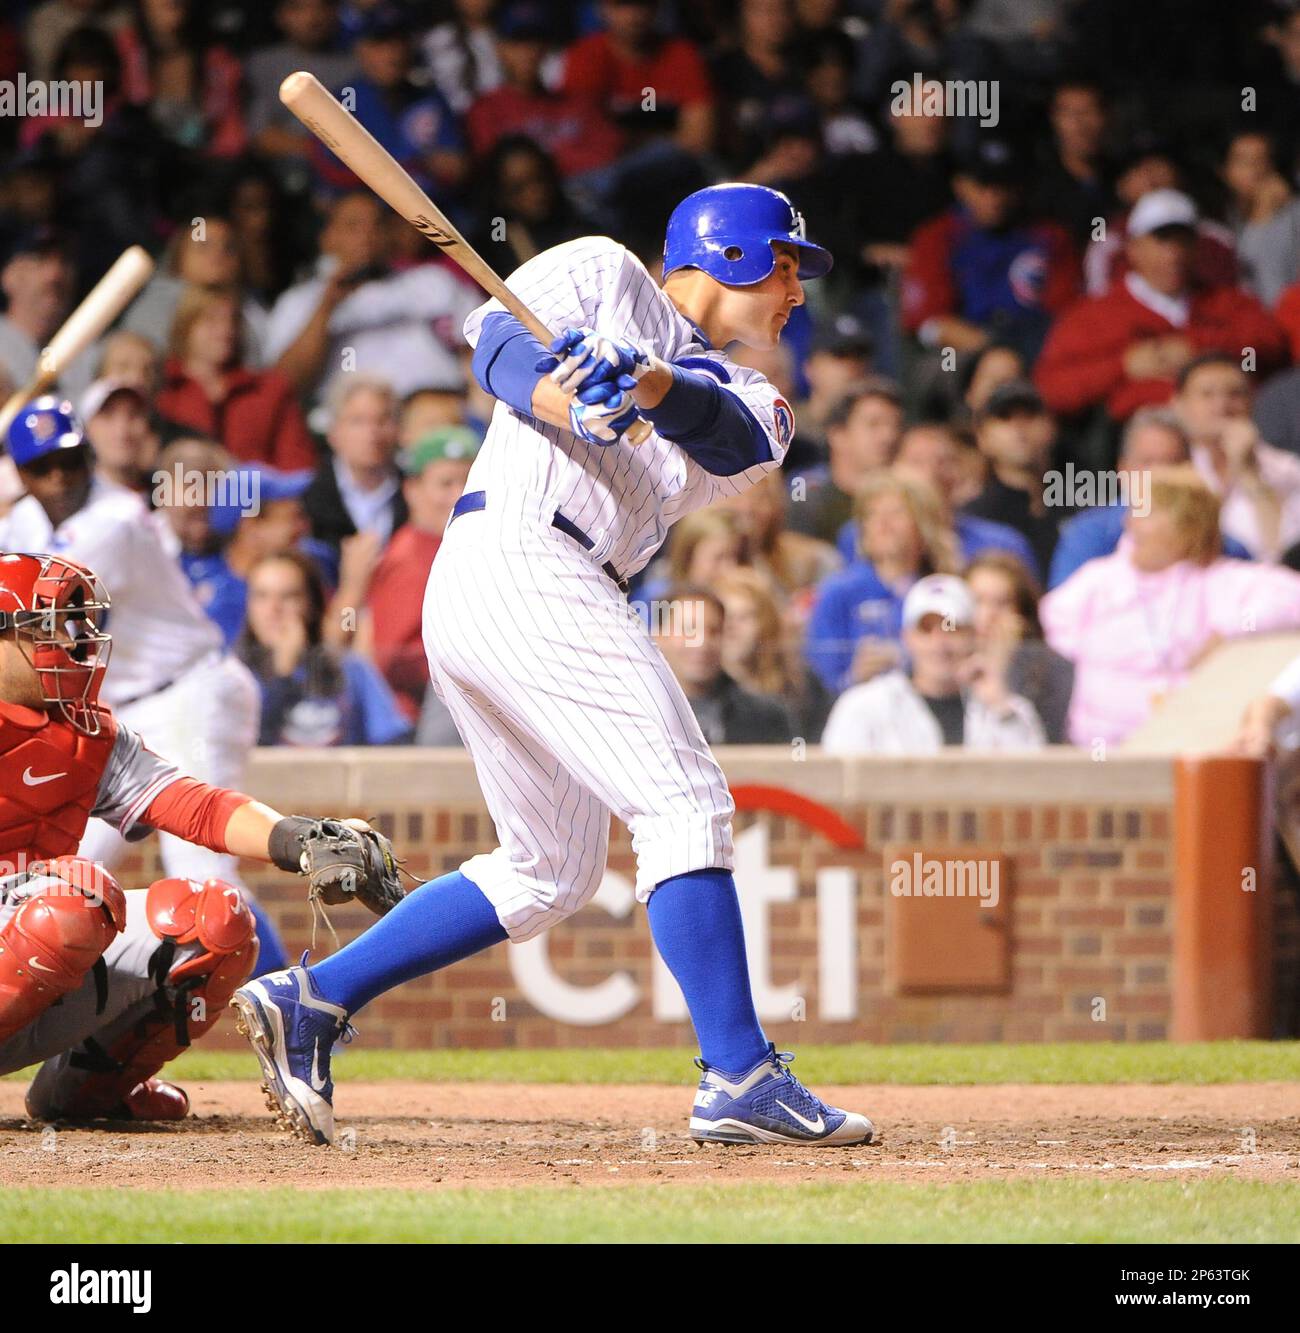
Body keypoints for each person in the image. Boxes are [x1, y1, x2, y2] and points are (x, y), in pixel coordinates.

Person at [233, 183, 876, 1149]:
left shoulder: (758, 395)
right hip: (521, 555)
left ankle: (315, 997)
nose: (796, 290)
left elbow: (729, 433)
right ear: (732, 255)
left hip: (554, 581)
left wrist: (647, 384)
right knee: (683, 802)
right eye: (786, 264)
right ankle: (739, 1072)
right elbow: (493, 346)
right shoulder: (602, 268)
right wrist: (567, 394)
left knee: (549, 872)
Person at [0, 549, 392, 1123]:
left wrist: (300, 839)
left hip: (20, 944)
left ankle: (85, 1091)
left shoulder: (85, 733)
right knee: (72, 898)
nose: (73, 641)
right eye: (48, 627)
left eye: (75, 623)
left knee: (215, 919)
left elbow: (193, 804)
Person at [0, 398, 288, 973]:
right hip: (101, 717)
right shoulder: (26, 518)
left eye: (70, 461)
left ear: (88, 457)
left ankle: (296, 1003)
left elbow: (47, 597)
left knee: (203, 875)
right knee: (44, 884)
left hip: (188, 693)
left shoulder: (121, 517)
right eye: (42, 467)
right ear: (25, 472)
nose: (59, 478)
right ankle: (84, 1049)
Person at [1041, 467, 1300, 746]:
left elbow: (1291, 599)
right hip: (1099, 753)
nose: (1130, 523)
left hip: (1196, 750)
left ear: (1188, 524)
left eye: (1146, 513)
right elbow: (1056, 623)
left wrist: (1229, 631)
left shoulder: (1225, 581)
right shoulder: (1099, 579)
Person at [1036, 188, 1289, 423]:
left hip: (1227, 427)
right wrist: (1124, 366)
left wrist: (1199, 350)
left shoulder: (1229, 302)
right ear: (1134, 248)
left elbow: (1269, 346)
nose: (1173, 253)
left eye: (1183, 241)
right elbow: (1052, 388)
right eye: (1162, 240)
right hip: (1138, 442)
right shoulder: (1093, 314)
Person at [265, 191, 481, 410]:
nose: (367, 235)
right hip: (353, 428)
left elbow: (483, 347)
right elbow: (285, 385)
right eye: (353, 226)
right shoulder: (300, 301)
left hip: (444, 415)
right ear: (327, 238)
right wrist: (326, 307)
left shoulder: (434, 282)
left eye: (377, 225)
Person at [821, 573, 1045, 754]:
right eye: (926, 629)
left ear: (972, 636)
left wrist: (999, 704)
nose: (940, 643)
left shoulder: (1007, 708)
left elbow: (1034, 786)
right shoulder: (864, 705)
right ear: (907, 637)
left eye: (952, 628)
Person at [902, 138, 1079, 364]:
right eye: (983, 186)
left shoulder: (1049, 236)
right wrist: (996, 351)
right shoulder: (936, 236)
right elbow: (930, 323)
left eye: (1003, 187)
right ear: (961, 186)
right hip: (956, 355)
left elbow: (1066, 311)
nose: (994, 198)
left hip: (1038, 345)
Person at [1048, 406, 1250, 587]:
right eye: (1148, 463)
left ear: (1191, 469)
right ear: (1123, 469)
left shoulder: (1222, 542)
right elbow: (1065, 616)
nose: (1158, 475)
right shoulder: (1087, 535)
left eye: (1172, 463)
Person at [234, 550, 410, 747]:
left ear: (310, 604)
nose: (273, 609)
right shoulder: (235, 674)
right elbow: (244, 746)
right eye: (261, 596)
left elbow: (392, 740)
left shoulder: (348, 668)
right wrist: (282, 676)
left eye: (288, 596)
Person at [364, 425, 480, 722]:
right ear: (412, 490)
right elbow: (390, 658)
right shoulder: (410, 557)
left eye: (467, 481)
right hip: (416, 718)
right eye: (445, 483)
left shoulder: (460, 544)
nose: (458, 495)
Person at [805, 472, 958, 693]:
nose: (882, 524)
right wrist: (853, 678)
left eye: (896, 513)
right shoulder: (838, 592)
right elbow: (820, 680)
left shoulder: (944, 591)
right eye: (872, 514)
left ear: (924, 523)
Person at [155, 285, 316, 473]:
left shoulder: (270, 390)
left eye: (233, 321)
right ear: (185, 327)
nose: (225, 330)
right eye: (211, 320)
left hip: (259, 499)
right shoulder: (161, 388)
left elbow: (298, 467)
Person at [851, 421, 1038, 574]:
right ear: (894, 469)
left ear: (959, 473)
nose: (931, 472)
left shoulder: (1001, 543)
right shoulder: (867, 531)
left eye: (943, 462)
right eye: (917, 461)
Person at [466, 3, 623, 180]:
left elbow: (609, 154)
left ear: (546, 47)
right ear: (500, 49)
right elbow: (498, 172)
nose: (528, 51)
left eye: (535, 41)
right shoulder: (486, 111)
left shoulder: (577, 102)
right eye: (517, 42)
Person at [1176, 353, 1300, 562]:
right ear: (1179, 404)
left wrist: (1249, 471)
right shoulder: (1166, 466)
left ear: (1251, 402)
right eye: (1207, 394)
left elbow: (1282, 555)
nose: (1222, 405)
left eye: (1235, 394)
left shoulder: (1288, 470)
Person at [652, 585, 794, 745]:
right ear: (658, 636)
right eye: (688, 630)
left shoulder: (766, 716)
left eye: (713, 631)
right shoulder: (637, 712)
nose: (702, 643)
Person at [965, 551, 1074, 744]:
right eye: (977, 601)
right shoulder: (942, 659)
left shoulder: (1052, 668)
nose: (988, 614)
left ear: (1022, 614)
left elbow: (1049, 740)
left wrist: (1001, 663)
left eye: (1001, 603)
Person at [714, 565, 830, 741]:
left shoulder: (802, 686)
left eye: (744, 617)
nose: (731, 627)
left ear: (767, 622)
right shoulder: (702, 692)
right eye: (725, 617)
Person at [786, 377, 903, 545]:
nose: (889, 436)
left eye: (895, 425)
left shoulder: (905, 502)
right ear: (838, 435)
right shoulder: (808, 504)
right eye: (874, 424)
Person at [961, 379, 1060, 577]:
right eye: (1004, 417)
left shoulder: (1080, 507)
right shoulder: (972, 520)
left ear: (1051, 428)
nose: (1019, 426)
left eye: (1030, 415)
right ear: (982, 436)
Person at [1219, 128, 1300, 308]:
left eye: (1262, 160)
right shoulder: (1222, 217)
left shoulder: (1294, 213)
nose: (1256, 170)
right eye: (1244, 162)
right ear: (1225, 170)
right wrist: (1260, 219)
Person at [80, 376, 158, 496]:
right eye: (108, 416)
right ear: (86, 428)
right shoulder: (71, 502)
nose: (122, 430)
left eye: (133, 415)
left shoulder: (169, 499)